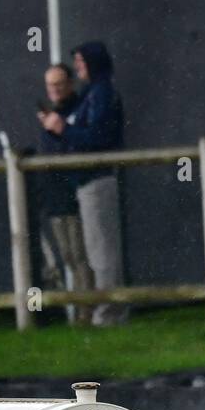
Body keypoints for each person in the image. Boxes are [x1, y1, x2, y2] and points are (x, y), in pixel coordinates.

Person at [40, 40, 127, 326]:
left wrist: (63, 129)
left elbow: (97, 139)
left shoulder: (101, 94)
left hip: (96, 179)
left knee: (102, 254)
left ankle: (109, 315)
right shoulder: (92, 94)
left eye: (80, 63)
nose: (78, 69)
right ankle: (103, 312)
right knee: (93, 252)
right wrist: (57, 131)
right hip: (87, 182)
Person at [35, 64, 90, 325]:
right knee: (68, 258)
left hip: (75, 192)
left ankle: (85, 313)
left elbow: (76, 143)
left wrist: (59, 129)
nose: (54, 90)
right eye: (50, 85)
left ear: (69, 84)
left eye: (59, 84)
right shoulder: (53, 115)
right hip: (56, 195)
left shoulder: (78, 111)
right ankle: (79, 313)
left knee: (80, 257)